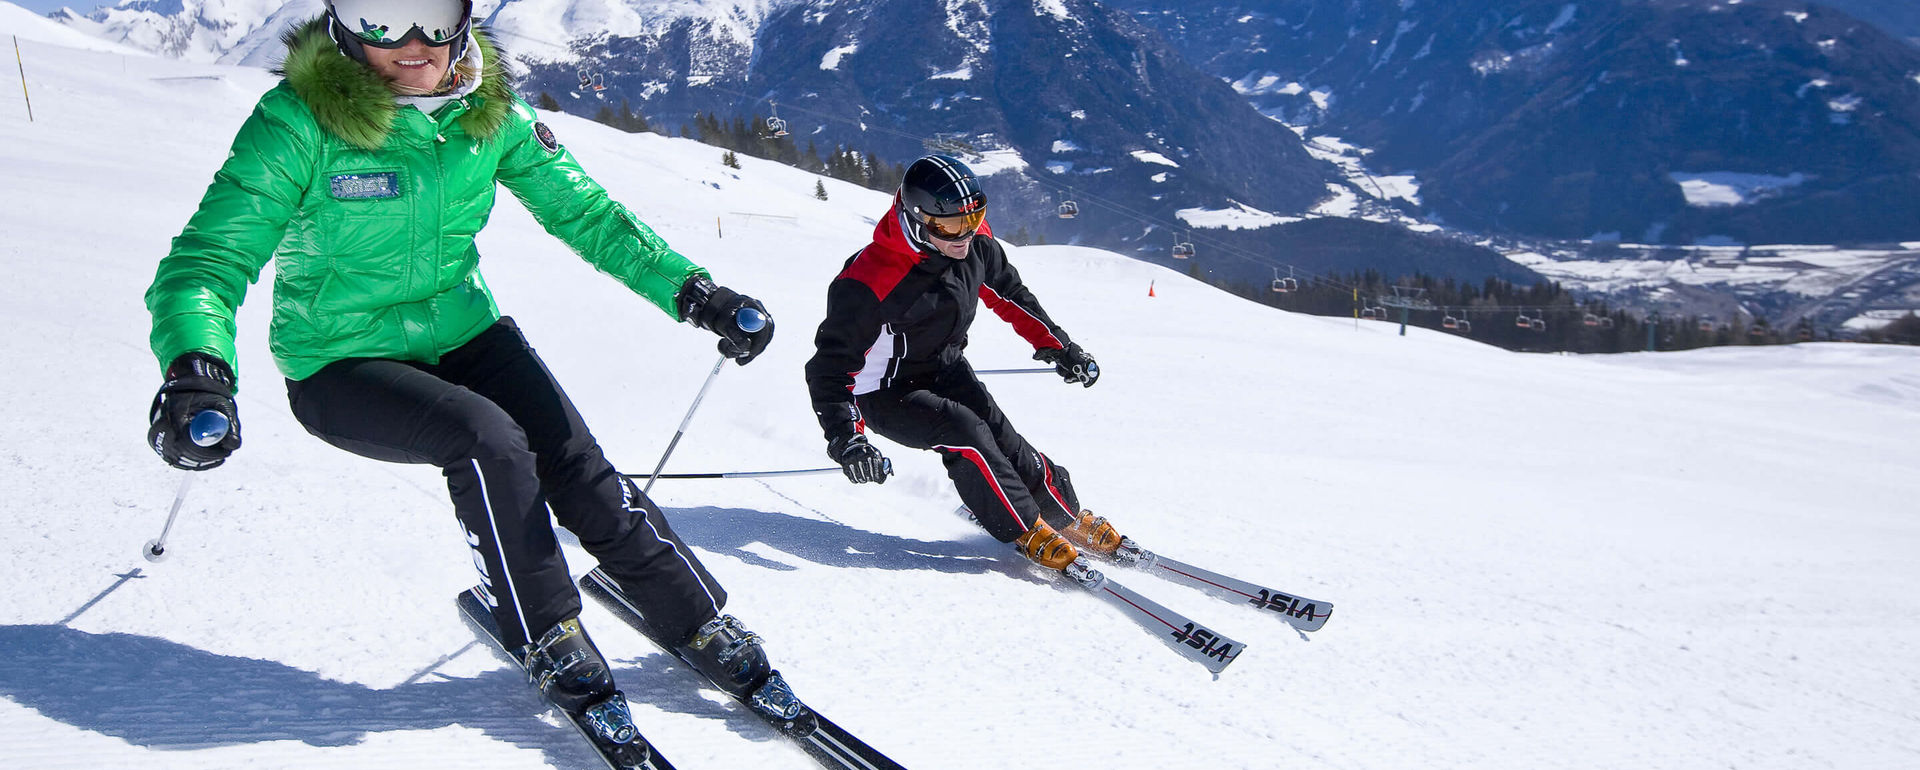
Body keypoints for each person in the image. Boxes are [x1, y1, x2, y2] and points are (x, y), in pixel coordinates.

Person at [143, 0, 780, 755]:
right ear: (345, 28)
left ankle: (698, 618)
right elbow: (209, 260)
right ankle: (546, 630)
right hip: (340, 358)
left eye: (435, 18)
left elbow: (588, 215)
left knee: (575, 461)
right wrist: (197, 368)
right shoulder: (300, 121)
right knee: (488, 441)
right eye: (385, 21)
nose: (414, 43)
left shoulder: (487, 110)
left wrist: (693, 291)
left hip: (464, 328)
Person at [803, 154, 1126, 580]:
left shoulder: (973, 242)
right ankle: (1027, 528)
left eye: (974, 219)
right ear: (917, 220)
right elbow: (828, 369)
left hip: (946, 365)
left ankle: (1065, 515)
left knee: (1005, 438)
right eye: (952, 225)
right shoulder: (869, 281)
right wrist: (847, 439)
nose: (966, 235)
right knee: (966, 432)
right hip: (883, 391)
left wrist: (1060, 348)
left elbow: (1009, 294)